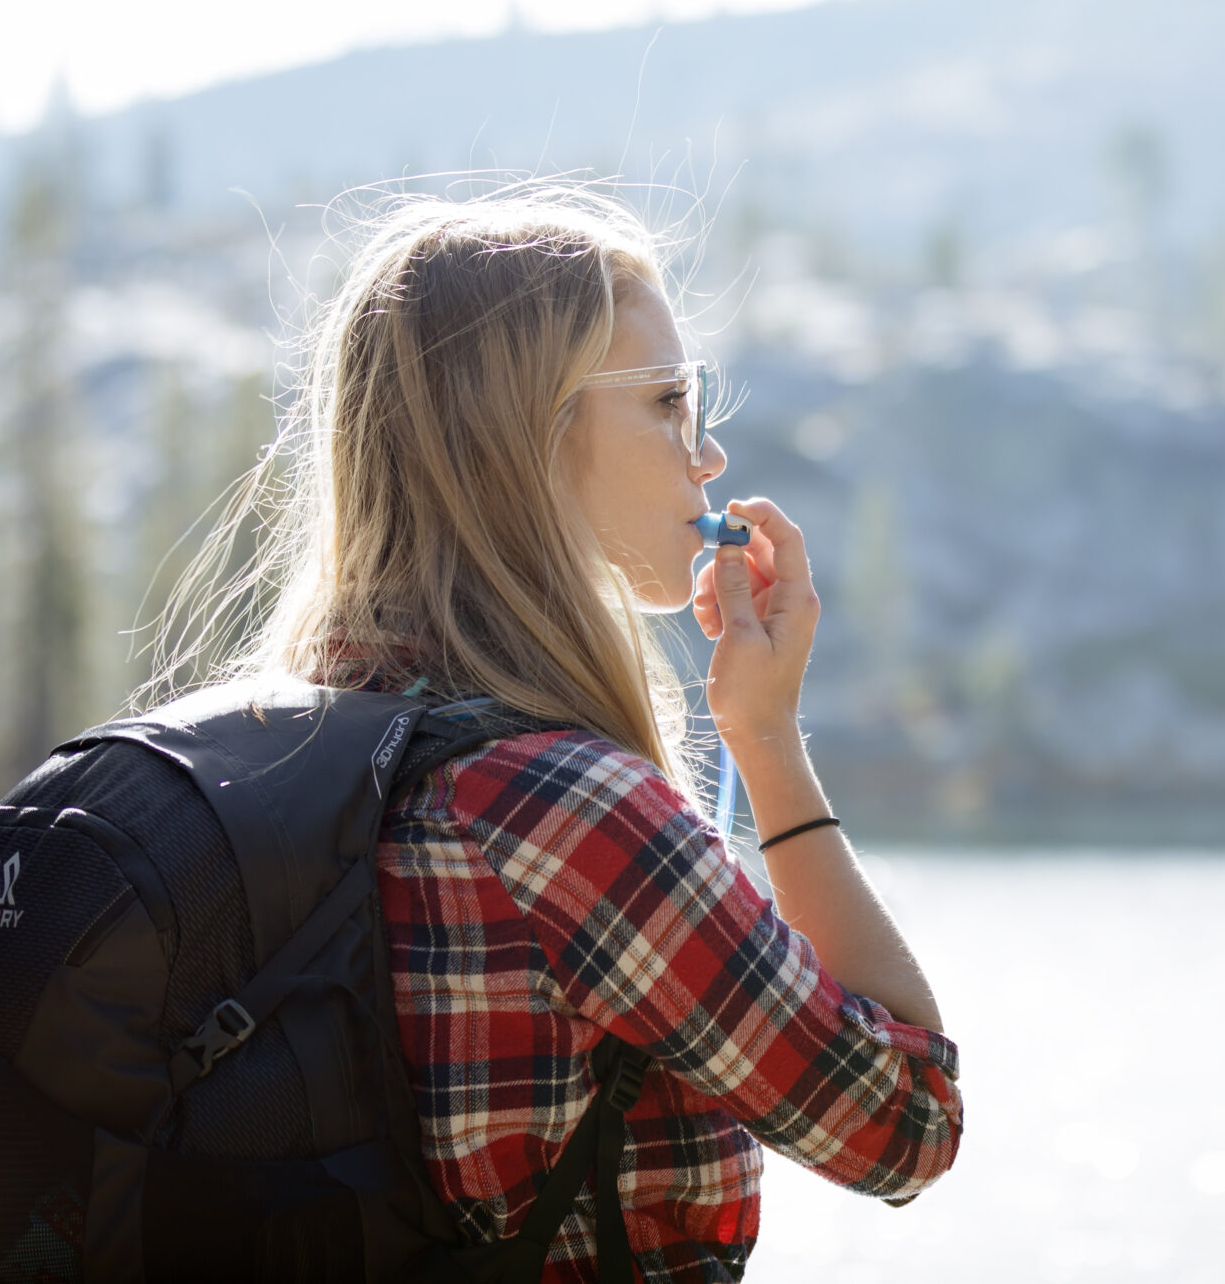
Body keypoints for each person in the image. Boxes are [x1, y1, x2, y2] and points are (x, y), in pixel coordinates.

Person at [216, 186, 962, 1279]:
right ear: (527, 436)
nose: (704, 458)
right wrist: (765, 737)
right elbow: (905, 1124)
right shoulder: (565, 811)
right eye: (667, 402)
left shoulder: (270, 744)